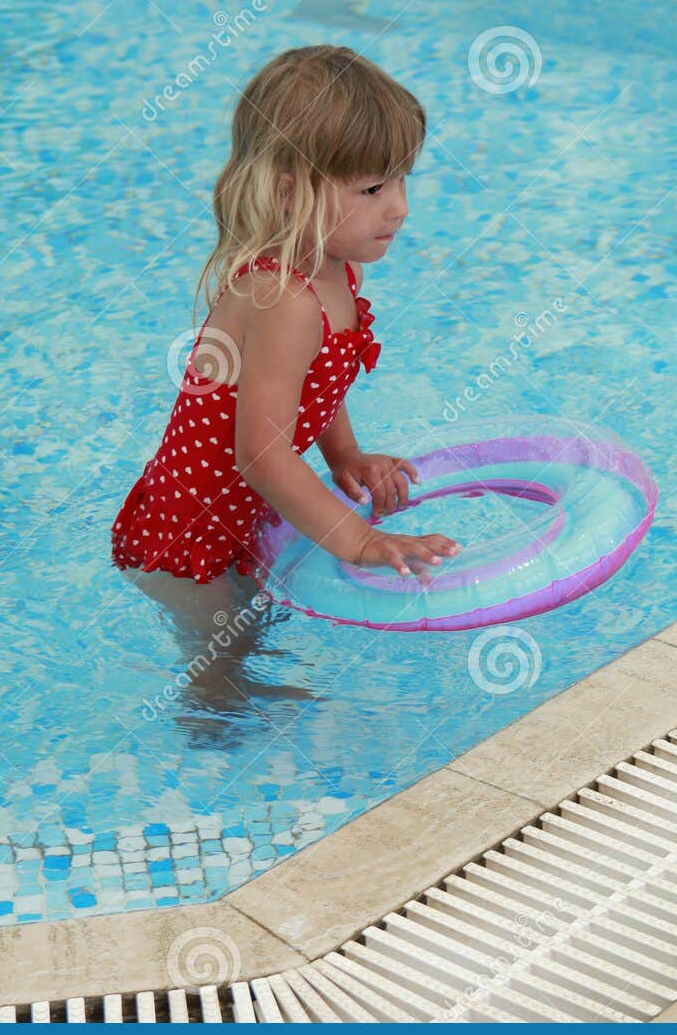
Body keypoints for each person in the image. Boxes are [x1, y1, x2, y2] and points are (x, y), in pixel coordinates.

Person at [111, 45, 459, 702]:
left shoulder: (334, 269)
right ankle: (209, 732)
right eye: (374, 189)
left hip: (243, 520)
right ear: (290, 190)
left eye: (403, 180)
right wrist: (357, 540)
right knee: (223, 661)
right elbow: (263, 456)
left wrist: (346, 453)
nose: (402, 208)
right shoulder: (285, 301)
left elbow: (313, 391)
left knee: (254, 632)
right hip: (193, 536)